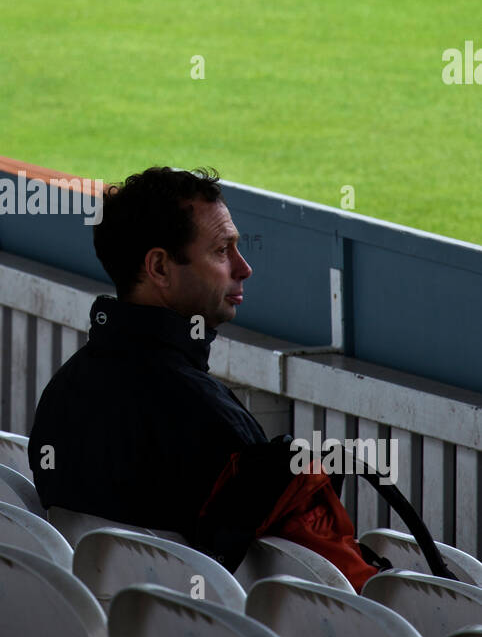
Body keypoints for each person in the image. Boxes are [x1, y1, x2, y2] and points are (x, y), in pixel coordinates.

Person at [27, 165, 383, 581]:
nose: (243, 267)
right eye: (221, 251)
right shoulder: (210, 423)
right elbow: (332, 586)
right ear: (159, 268)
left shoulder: (61, 395)